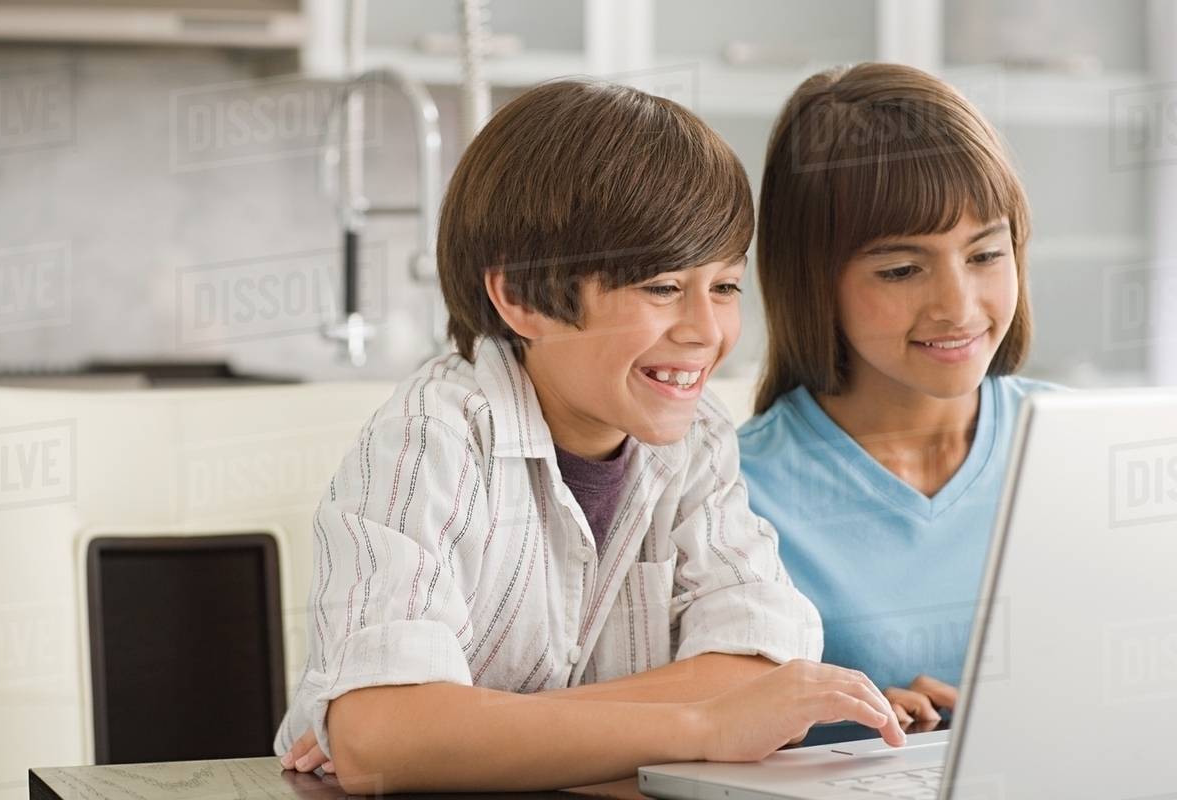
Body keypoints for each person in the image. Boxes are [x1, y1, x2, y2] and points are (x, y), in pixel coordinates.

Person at [274, 79, 904, 794]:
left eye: (725, 287)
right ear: (518, 297)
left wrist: (448, 732)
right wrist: (701, 724)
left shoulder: (694, 439)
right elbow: (385, 743)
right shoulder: (430, 440)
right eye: (663, 287)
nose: (706, 330)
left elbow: (761, 667)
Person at [739, 62, 1058, 728]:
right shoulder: (731, 491)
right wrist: (837, 722)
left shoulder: (1079, 443)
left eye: (985, 255)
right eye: (903, 270)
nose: (958, 305)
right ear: (813, 279)